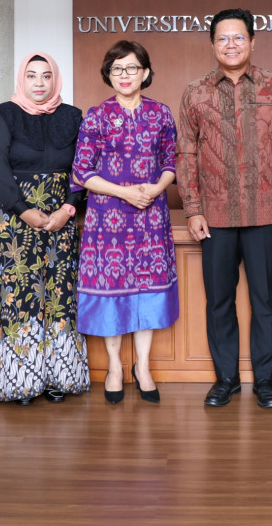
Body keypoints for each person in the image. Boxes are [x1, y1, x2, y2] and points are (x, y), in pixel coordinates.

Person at [177, 9, 272, 409]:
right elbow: (187, 153)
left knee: (267, 301)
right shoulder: (195, 92)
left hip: (266, 213)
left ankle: (266, 380)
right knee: (219, 301)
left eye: (238, 38)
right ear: (213, 44)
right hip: (215, 216)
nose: (231, 45)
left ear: (253, 41)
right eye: (223, 39)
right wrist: (193, 208)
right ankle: (225, 379)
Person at [74, 40, 179, 404]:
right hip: (108, 221)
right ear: (108, 74)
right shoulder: (96, 115)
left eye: (132, 68)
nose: (124, 75)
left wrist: (153, 189)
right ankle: (116, 367)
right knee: (112, 291)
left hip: (151, 215)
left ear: (145, 73)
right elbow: (81, 172)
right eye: (117, 69)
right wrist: (125, 192)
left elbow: (171, 162)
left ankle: (144, 366)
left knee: (147, 292)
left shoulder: (161, 114)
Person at [0, 52, 88, 405]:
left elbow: (83, 167)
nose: (39, 84)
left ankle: (60, 377)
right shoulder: (3, 115)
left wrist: (69, 207)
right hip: (14, 221)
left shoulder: (73, 117)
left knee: (59, 296)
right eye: (31, 76)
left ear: (55, 80)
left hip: (62, 218)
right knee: (18, 297)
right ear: (21, 80)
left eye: (45, 76)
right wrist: (23, 210)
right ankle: (19, 381)